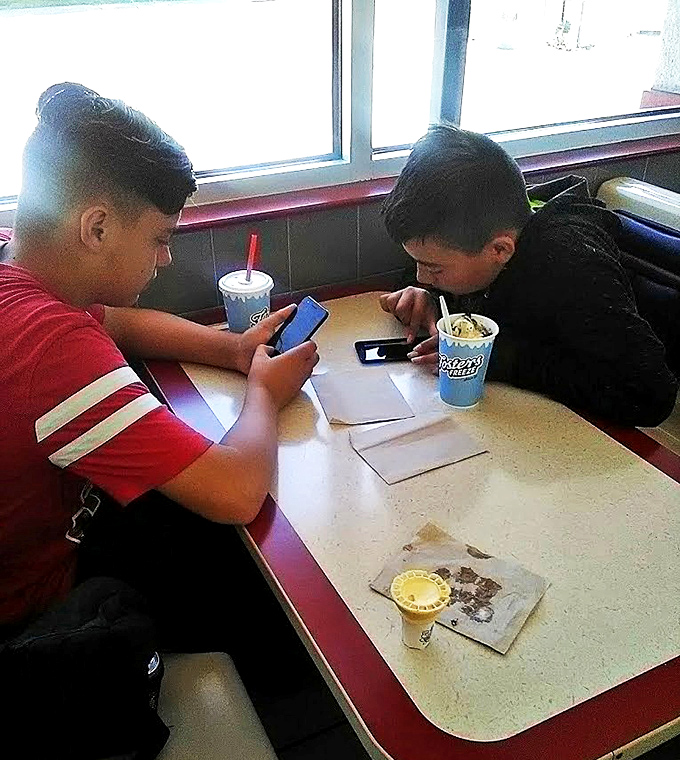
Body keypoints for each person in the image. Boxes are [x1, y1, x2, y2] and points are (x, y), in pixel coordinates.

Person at [0, 83, 318, 649]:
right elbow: (237, 491)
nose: (165, 259)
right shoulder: (50, 349)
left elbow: (118, 323)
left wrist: (232, 350)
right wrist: (265, 393)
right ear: (97, 228)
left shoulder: (21, 265)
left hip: (59, 528)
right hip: (37, 607)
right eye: (159, 239)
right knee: (251, 560)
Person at [379, 124, 678, 427]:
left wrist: (502, 359)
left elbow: (650, 396)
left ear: (499, 250)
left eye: (434, 269)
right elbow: (430, 268)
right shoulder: (483, 226)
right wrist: (424, 295)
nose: (421, 275)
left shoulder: (571, 269)